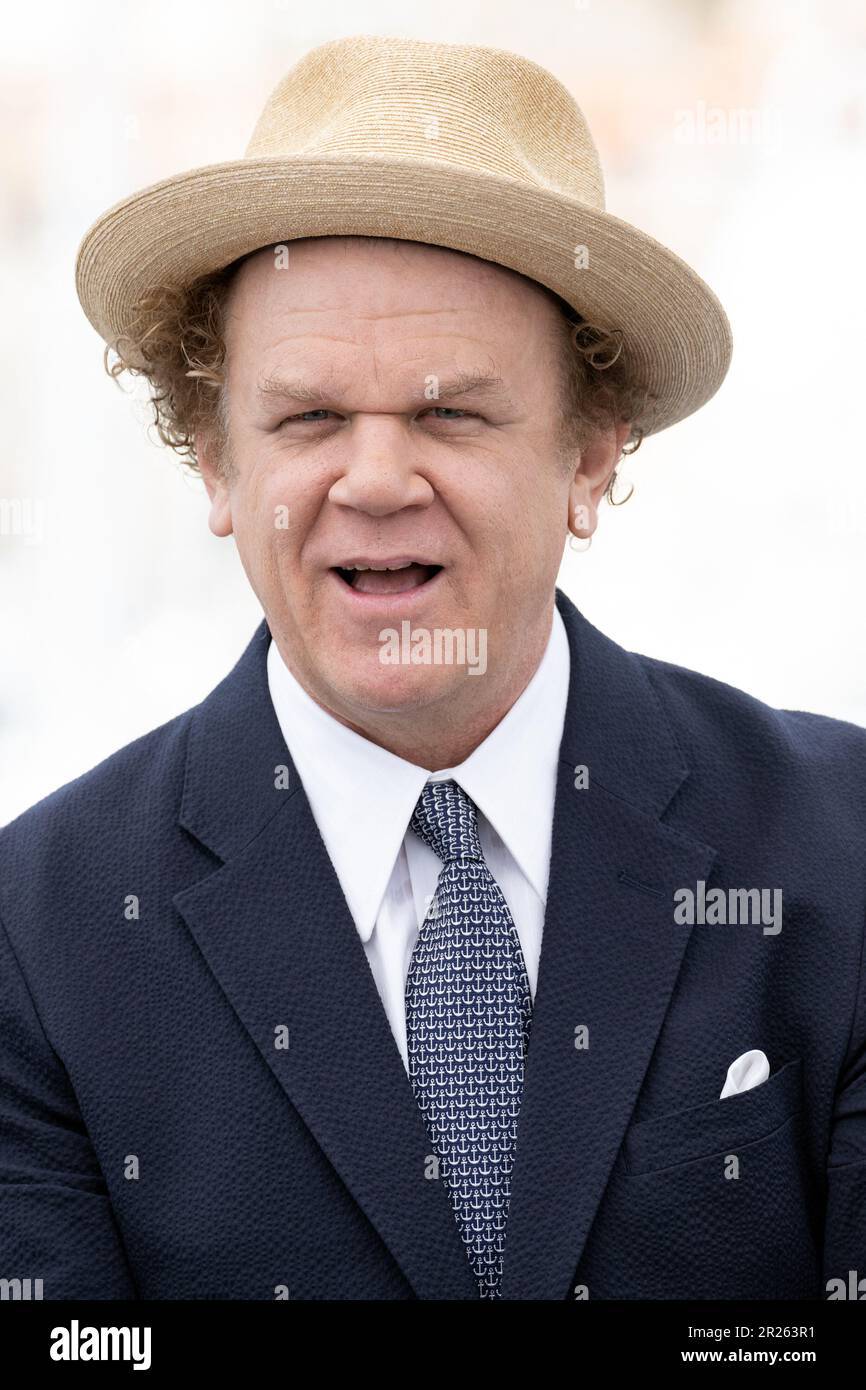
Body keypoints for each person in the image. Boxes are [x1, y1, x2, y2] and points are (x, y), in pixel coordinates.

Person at [1, 34, 863, 1302]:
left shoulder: (836, 842)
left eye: (449, 413)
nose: (375, 479)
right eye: (305, 419)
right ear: (213, 464)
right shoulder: (35, 934)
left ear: (587, 453)